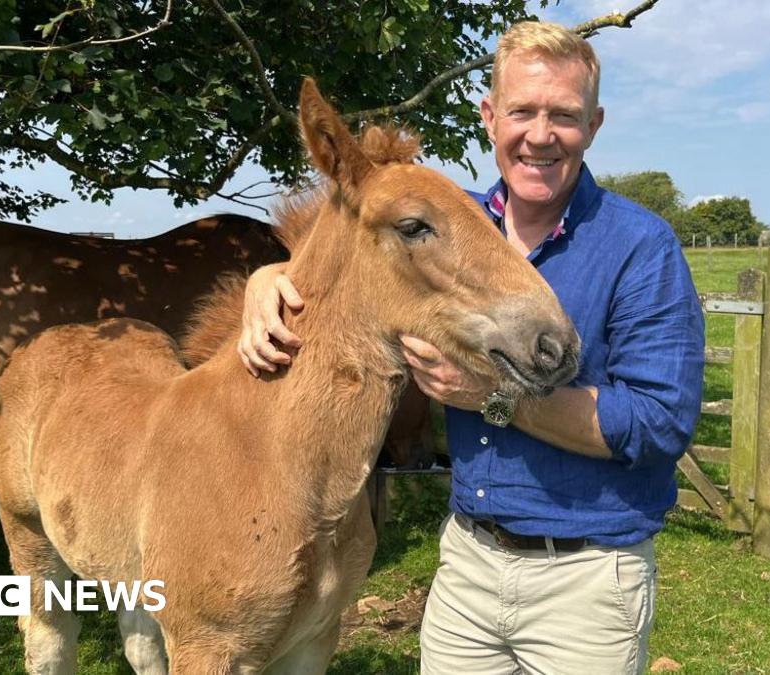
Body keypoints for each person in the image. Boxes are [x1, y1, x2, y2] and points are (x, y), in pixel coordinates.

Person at [239, 21, 705, 674]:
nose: (540, 134)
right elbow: (349, 262)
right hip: (467, 563)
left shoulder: (641, 246)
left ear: (594, 125)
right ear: (490, 117)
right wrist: (268, 282)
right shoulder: (446, 223)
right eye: (522, 111)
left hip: (588, 578)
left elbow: (659, 423)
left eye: (564, 115)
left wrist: (494, 398)